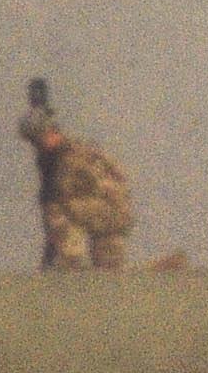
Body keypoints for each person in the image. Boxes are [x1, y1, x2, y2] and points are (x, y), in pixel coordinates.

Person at [18, 105, 136, 271]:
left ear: (51, 132)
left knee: (56, 209)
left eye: (38, 139)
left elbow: (62, 198)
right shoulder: (69, 153)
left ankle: (71, 263)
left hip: (109, 212)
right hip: (111, 214)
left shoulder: (70, 158)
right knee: (110, 274)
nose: (37, 145)